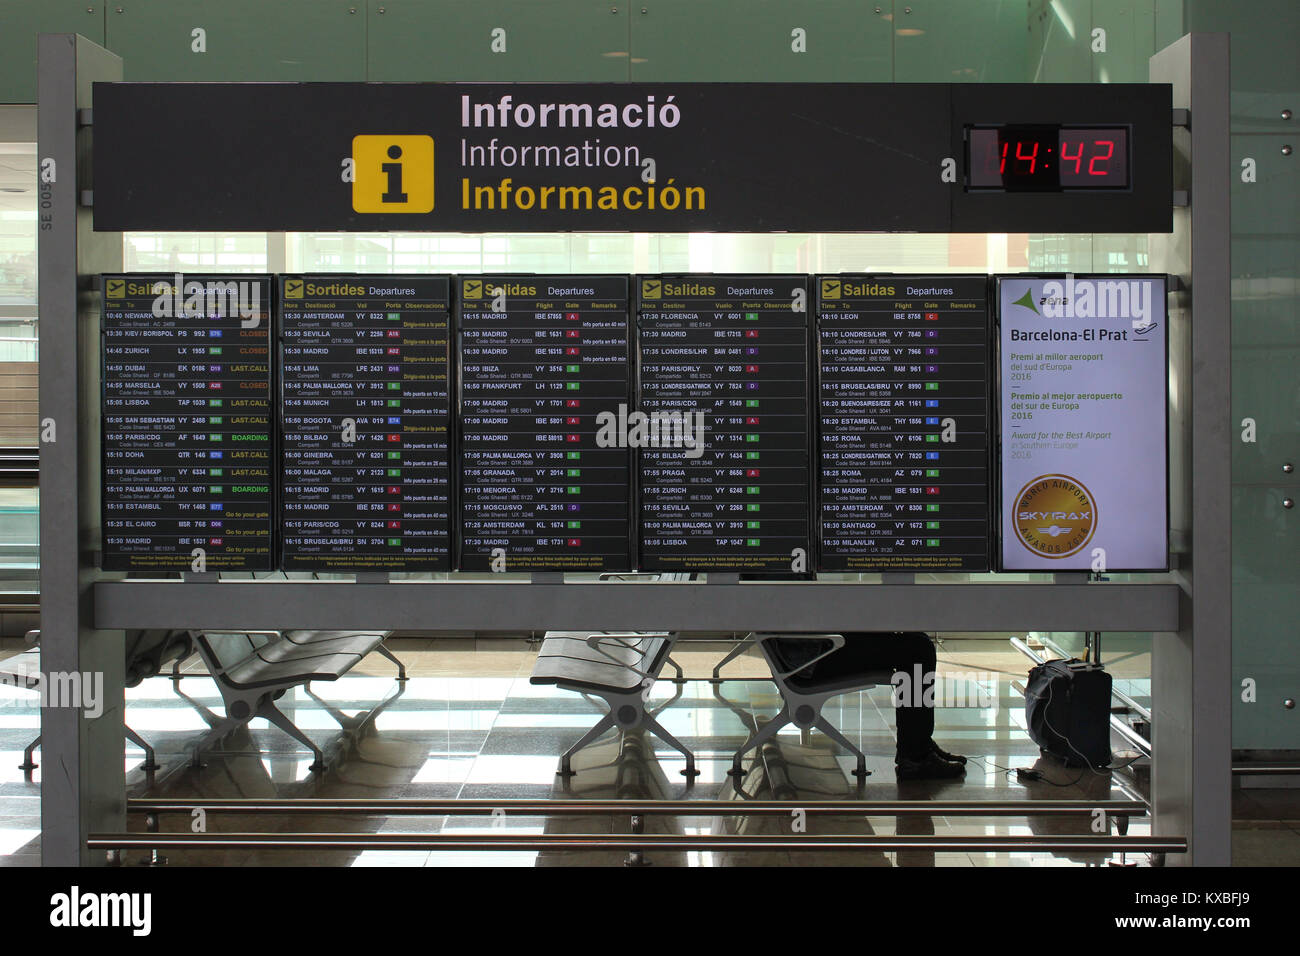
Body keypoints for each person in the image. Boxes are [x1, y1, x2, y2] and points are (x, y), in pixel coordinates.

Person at [838, 630, 968, 780]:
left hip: (819, 648)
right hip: (822, 652)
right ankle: (916, 755)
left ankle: (917, 744)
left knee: (918, 639)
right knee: (919, 649)